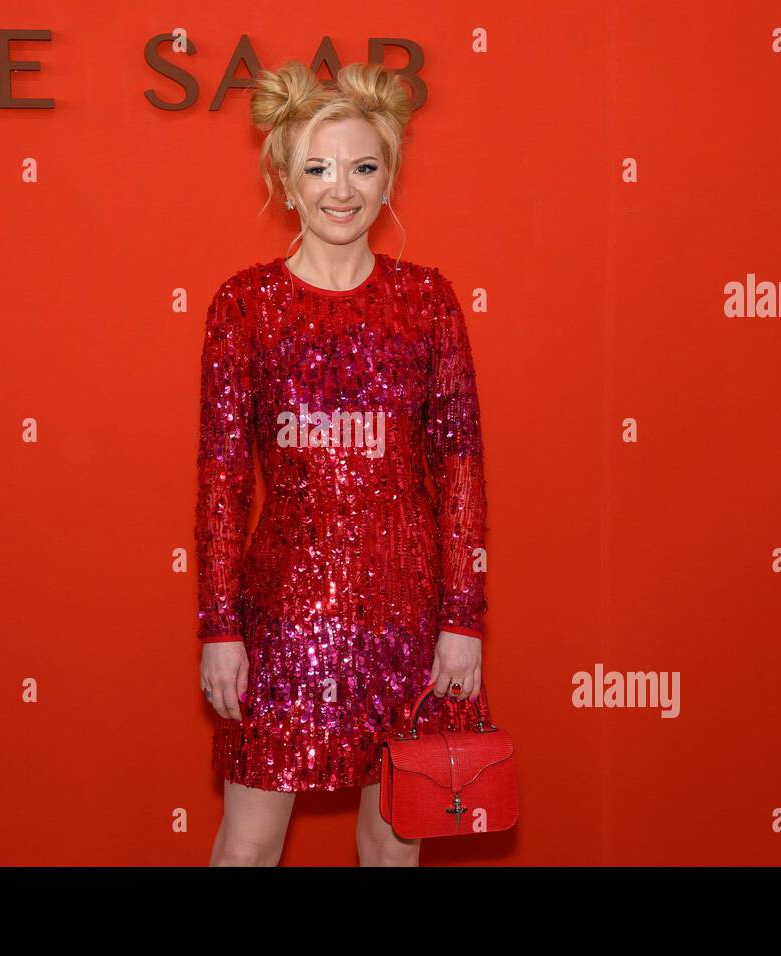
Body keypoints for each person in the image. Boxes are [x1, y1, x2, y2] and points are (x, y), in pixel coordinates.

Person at [194, 60, 490, 866]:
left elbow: (460, 463)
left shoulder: (428, 302)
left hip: (405, 608)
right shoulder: (243, 306)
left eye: (363, 167)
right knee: (247, 848)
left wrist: (462, 619)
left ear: (388, 177)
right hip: (282, 611)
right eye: (317, 168)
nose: (341, 189)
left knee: (394, 844)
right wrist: (221, 627)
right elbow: (222, 479)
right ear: (284, 182)